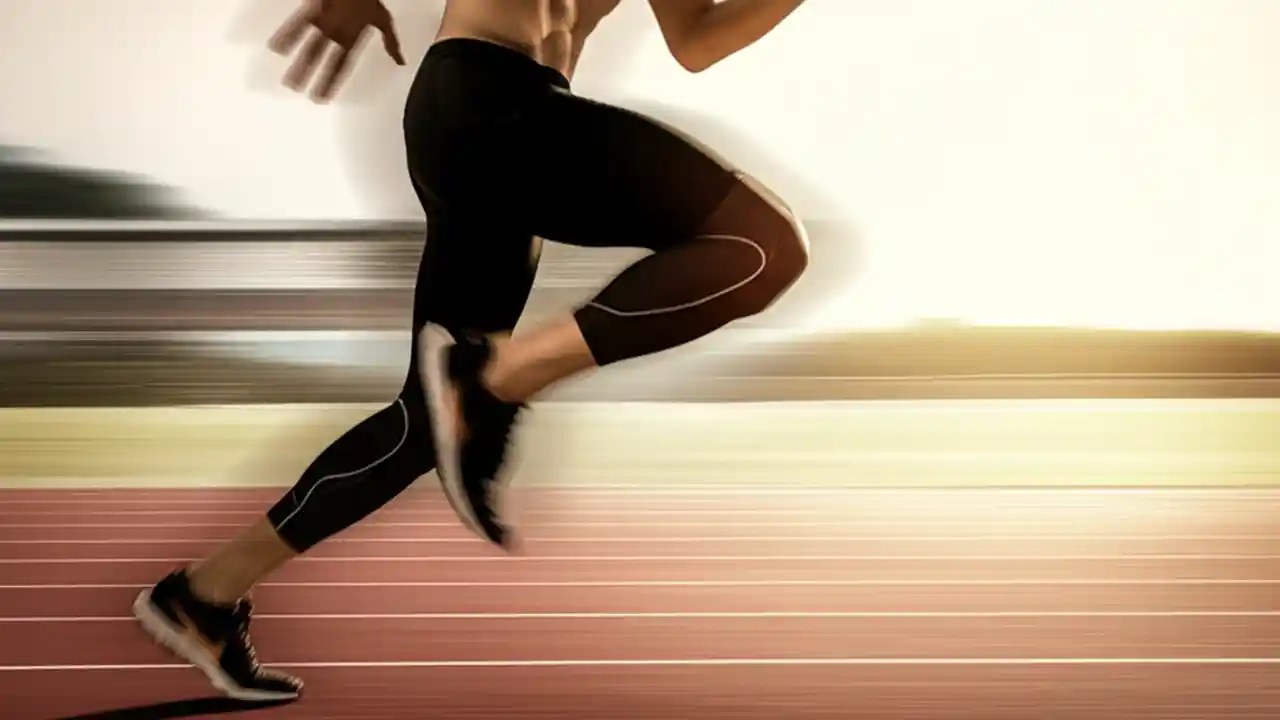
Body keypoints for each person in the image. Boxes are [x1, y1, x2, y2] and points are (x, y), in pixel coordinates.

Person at [132, 0, 810, 701]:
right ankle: (498, 376)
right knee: (765, 244)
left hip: (501, 131)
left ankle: (205, 594)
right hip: (489, 102)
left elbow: (696, 42)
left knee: (428, 422)